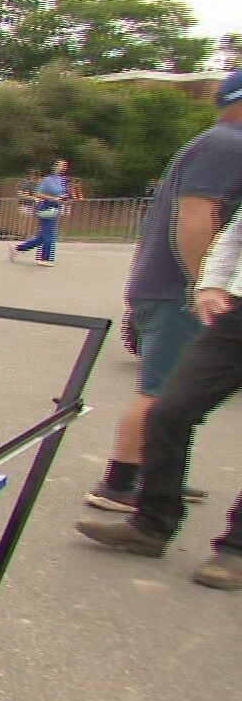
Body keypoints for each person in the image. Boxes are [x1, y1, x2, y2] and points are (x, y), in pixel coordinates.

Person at [85, 70, 242, 513]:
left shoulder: (218, 142)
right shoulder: (229, 144)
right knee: (164, 388)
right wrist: (203, 283)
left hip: (172, 284)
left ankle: (157, 476)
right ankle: (120, 483)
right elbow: (195, 216)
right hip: (180, 287)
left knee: (176, 389)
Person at [75, 208, 242, 589]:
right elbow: (235, 234)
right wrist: (211, 284)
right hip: (237, 313)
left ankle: (236, 549)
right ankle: (152, 524)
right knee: (168, 410)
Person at [9, 159, 69, 264]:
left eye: (64, 166)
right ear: (54, 167)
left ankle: (18, 248)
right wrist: (54, 199)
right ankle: (44, 258)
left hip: (55, 208)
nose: (63, 167)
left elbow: (63, 193)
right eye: (60, 165)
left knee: (43, 236)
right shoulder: (47, 180)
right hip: (45, 207)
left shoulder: (62, 180)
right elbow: (38, 193)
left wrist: (65, 198)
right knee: (49, 234)